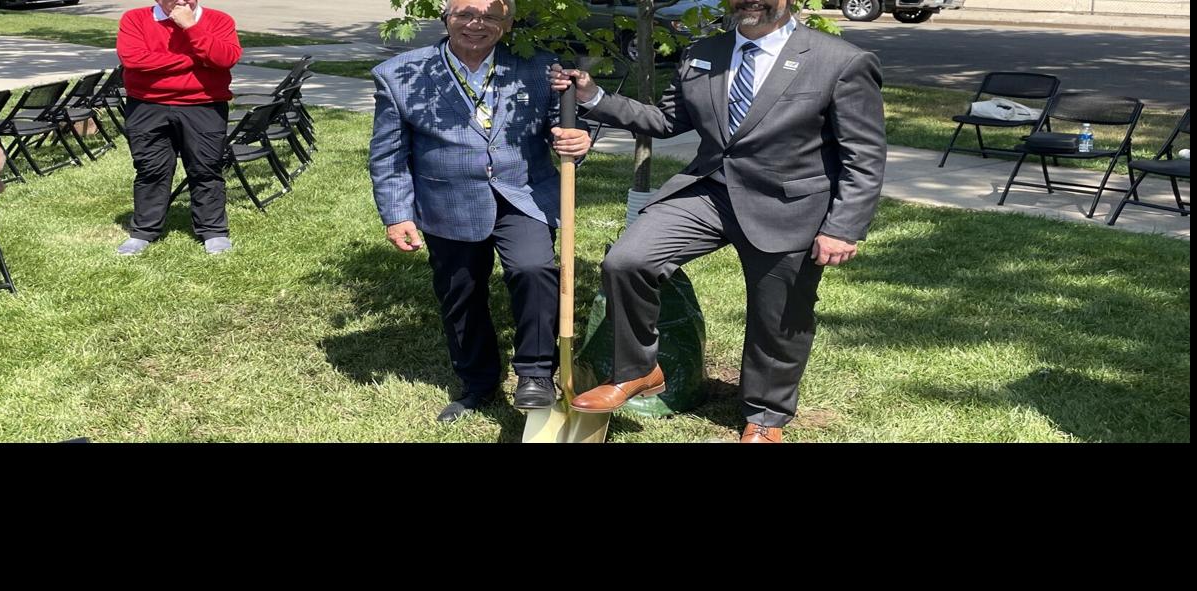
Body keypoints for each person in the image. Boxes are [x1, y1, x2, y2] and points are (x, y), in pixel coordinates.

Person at [551, 0, 886, 443]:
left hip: (789, 205)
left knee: (778, 316)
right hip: (709, 192)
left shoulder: (840, 60)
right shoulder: (704, 51)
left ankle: (765, 417)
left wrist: (842, 226)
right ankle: (639, 370)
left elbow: (863, 155)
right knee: (628, 261)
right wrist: (594, 96)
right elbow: (666, 120)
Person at [369, 0, 591, 423]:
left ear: (507, 25)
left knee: (533, 270)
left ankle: (535, 374)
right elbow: (389, 155)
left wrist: (578, 144)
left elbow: (561, 128)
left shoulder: (539, 67)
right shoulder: (400, 74)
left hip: (523, 194)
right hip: (446, 200)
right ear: (446, 18)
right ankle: (478, 384)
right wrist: (396, 214)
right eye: (466, 14)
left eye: (491, 16)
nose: (477, 24)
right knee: (461, 293)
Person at [115, 0, 242, 255]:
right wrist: (196, 59)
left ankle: (213, 230)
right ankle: (144, 230)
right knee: (150, 168)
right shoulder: (135, 19)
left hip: (204, 105)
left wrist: (190, 26)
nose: (183, 0)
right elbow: (135, 60)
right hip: (147, 106)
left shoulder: (219, 20)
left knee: (206, 168)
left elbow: (225, 58)